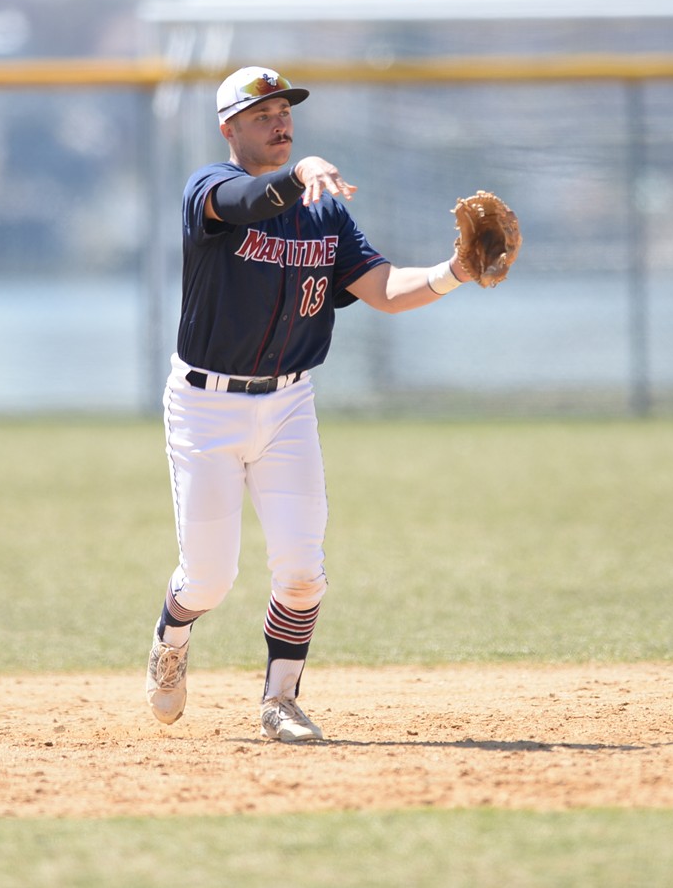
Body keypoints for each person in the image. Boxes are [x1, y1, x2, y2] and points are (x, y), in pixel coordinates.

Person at [145, 65, 473, 742]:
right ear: (229, 128)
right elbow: (244, 203)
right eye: (263, 112)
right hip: (206, 408)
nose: (280, 120)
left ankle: (281, 701)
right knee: (208, 579)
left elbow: (382, 288)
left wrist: (454, 271)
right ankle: (173, 633)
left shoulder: (325, 210)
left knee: (302, 570)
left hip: (289, 403)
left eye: (284, 109)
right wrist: (297, 177)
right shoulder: (207, 188)